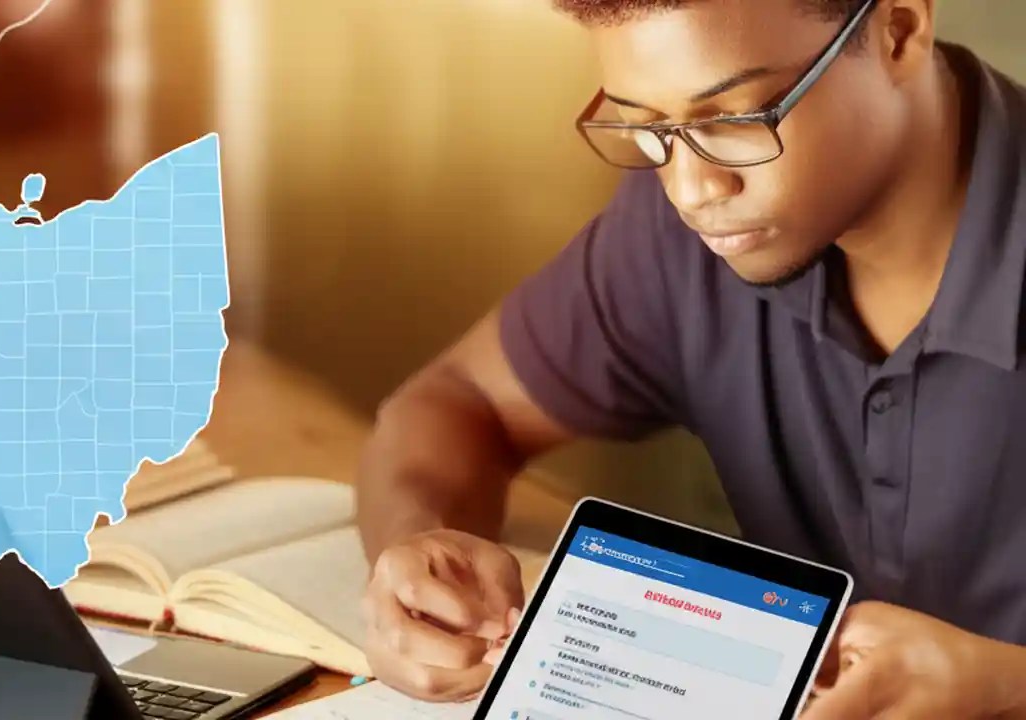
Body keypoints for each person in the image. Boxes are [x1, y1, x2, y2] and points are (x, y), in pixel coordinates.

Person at [354, 0, 1026, 716]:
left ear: (898, 31)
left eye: (736, 120)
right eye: (647, 127)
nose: (691, 191)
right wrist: (422, 554)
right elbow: (459, 401)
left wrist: (1005, 687)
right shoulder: (685, 230)